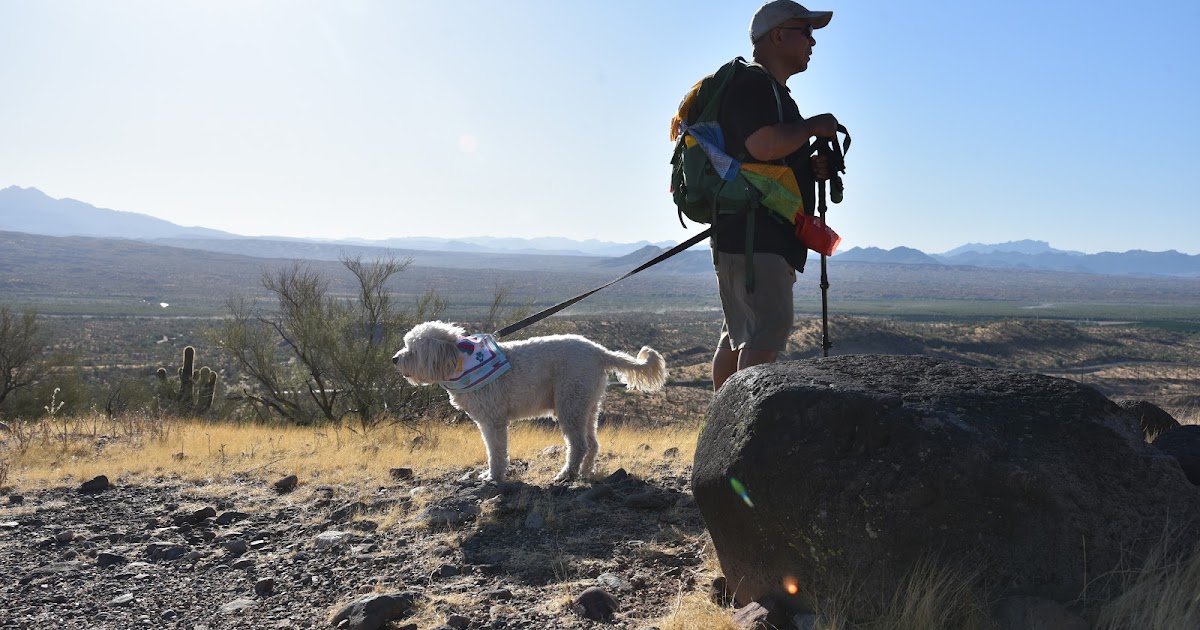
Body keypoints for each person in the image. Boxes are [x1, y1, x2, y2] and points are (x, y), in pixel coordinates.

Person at [711, 0, 842, 390]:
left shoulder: (769, 91)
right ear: (778, 36)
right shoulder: (754, 85)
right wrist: (813, 127)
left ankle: (720, 422)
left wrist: (809, 166)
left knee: (738, 334)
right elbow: (763, 145)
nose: (812, 42)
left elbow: (771, 159)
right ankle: (742, 424)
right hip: (759, 237)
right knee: (765, 333)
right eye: (806, 32)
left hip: (744, 234)